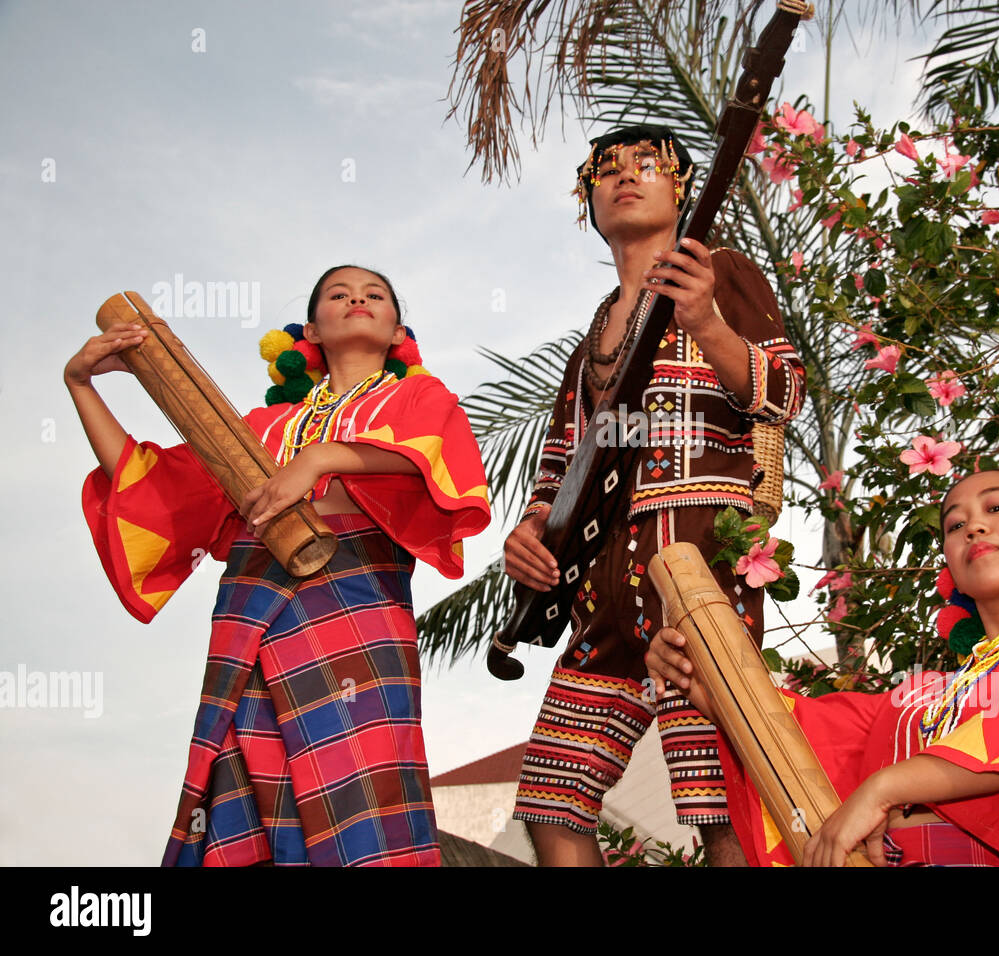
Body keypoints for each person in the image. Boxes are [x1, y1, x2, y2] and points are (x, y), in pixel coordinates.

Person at [68, 265, 491, 866]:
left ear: (398, 330)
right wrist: (82, 386)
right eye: (338, 295)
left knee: (366, 793)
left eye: (375, 295)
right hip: (256, 615)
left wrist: (320, 459)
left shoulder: (419, 396)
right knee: (249, 784)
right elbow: (151, 483)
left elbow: (438, 461)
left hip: (359, 615)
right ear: (311, 332)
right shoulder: (261, 428)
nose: (357, 300)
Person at [504, 124, 806, 866]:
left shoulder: (721, 271)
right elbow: (560, 466)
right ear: (589, 203)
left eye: (649, 165)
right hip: (600, 589)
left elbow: (784, 392)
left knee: (719, 801)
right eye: (607, 170)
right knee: (552, 801)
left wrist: (704, 319)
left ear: (682, 191)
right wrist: (532, 527)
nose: (626, 177)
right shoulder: (592, 339)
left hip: (697, 564)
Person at [647, 468, 999, 866]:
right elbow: (798, 732)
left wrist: (882, 789)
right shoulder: (929, 695)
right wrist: (702, 678)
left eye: (996, 507)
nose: (974, 525)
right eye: (954, 524)